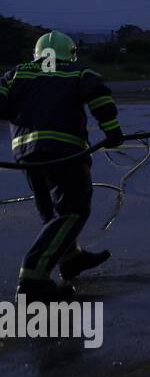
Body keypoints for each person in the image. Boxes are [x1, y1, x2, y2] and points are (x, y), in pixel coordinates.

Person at [0, 31, 121, 298]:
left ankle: (71, 258)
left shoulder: (15, 74)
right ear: (70, 53)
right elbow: (99, 97)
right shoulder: (78, 71)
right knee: (73, 211)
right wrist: (112, 131)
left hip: (27, 154)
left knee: (52, 213)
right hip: (64, 151)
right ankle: (33, 278)